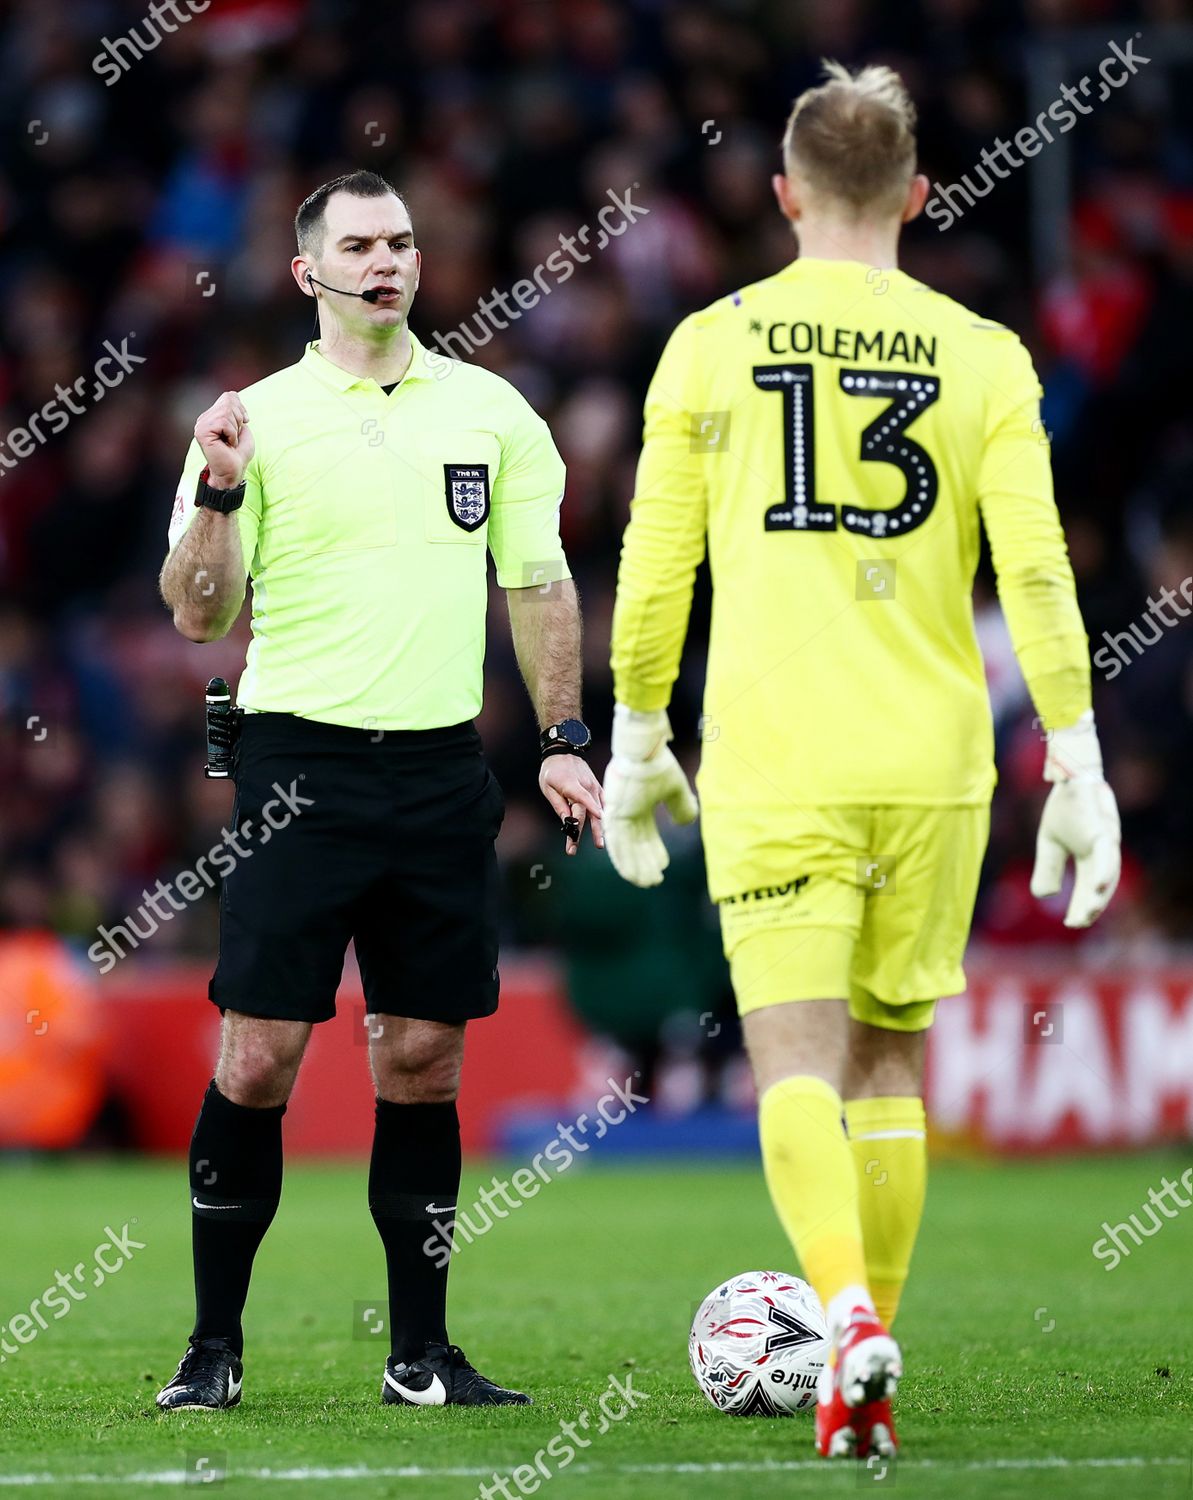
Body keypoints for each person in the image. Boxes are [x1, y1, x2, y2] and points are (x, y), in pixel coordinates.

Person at [603, 63, 1120, 1459]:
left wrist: (637, 733)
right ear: (917, 194)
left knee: (793, 1065)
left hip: (779, 755)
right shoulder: (987, 355)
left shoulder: (711, 344)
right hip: (935, 760)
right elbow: (1039, 572)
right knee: (888, 1068)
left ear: (780, 195)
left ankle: (840, 1311)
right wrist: (1075, 758)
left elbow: (656, 568)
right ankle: (864, 1354)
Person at [155, 169, 603, 1412]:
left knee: (422, 1058)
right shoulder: (250, 421)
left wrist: (564, 734)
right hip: (298, 763)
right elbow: (197, 619)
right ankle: (212, 1348)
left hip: (436, 769)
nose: (386, 260)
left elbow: (539, 583)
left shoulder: (494, 413)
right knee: (257, 1059)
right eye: (357, 244)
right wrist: (219, 492)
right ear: (308, 274)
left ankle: (421, 1354)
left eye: (400, 240)